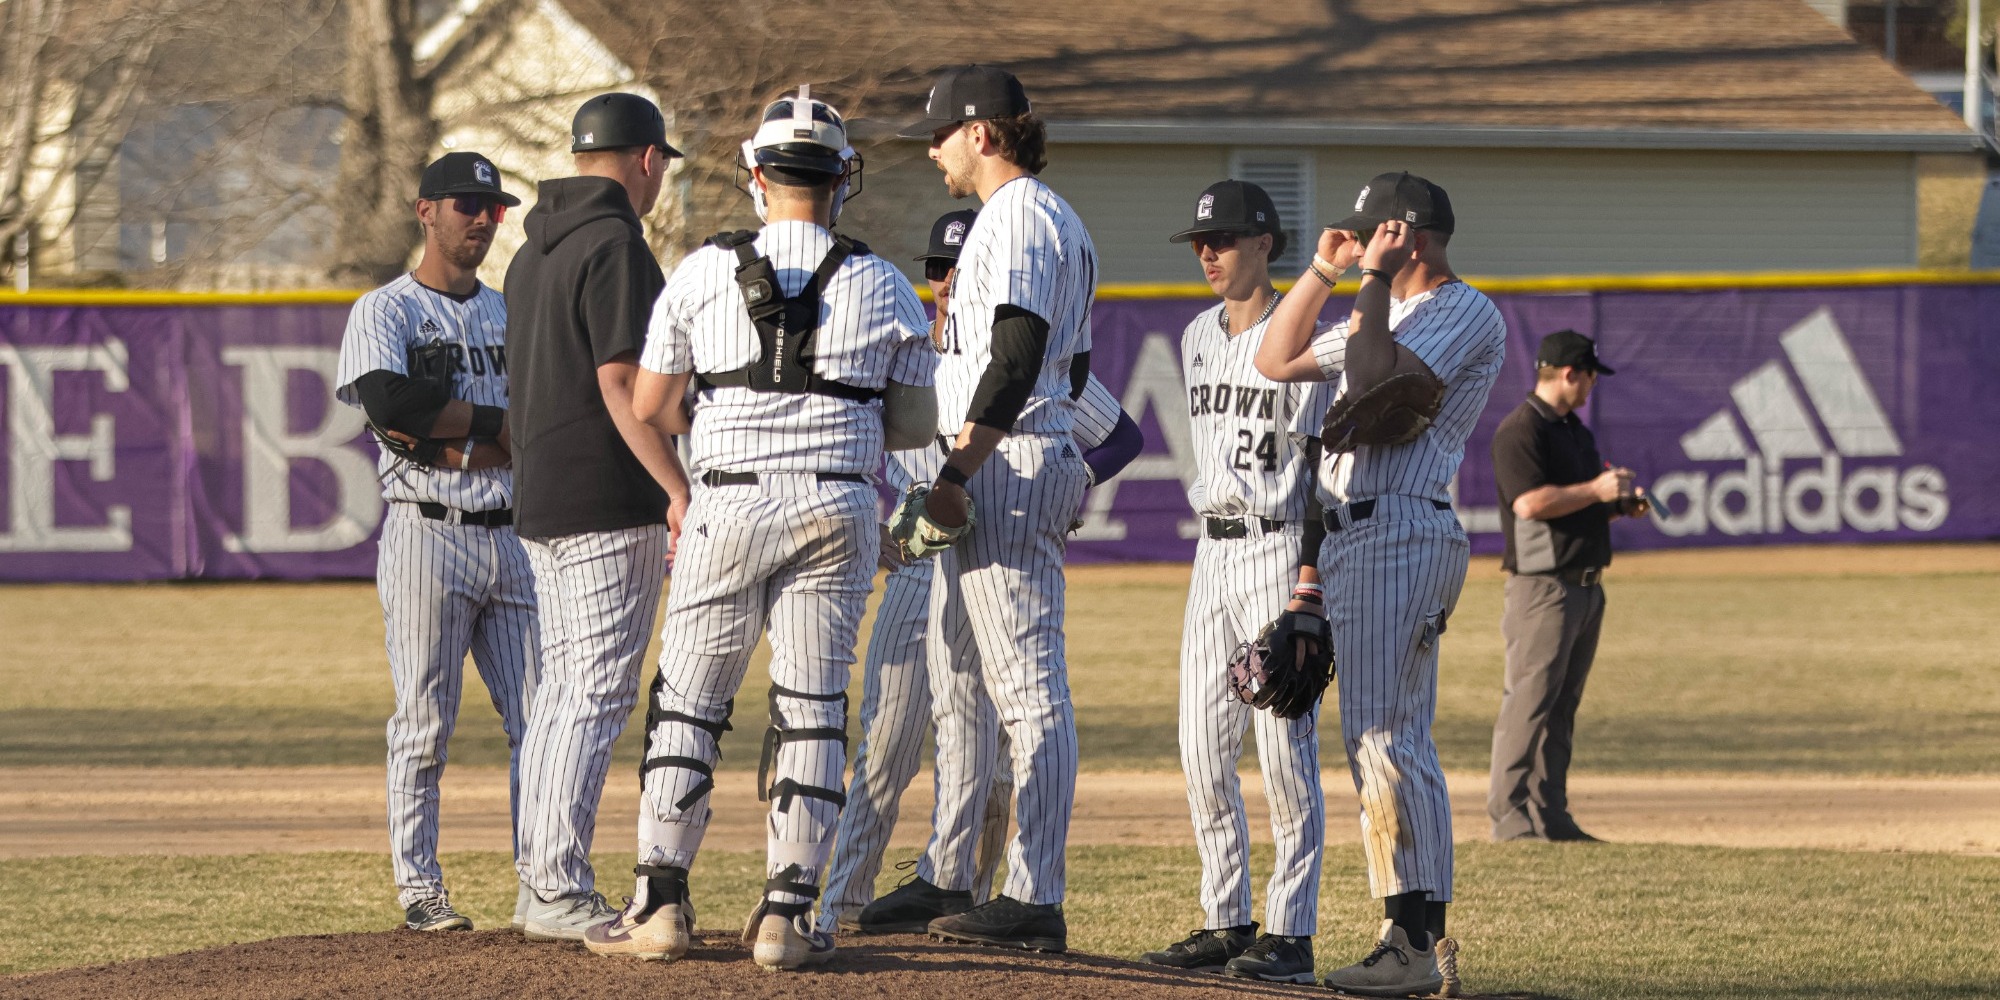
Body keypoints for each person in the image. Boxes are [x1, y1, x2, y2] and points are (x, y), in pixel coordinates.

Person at [581, 87, 939, 972]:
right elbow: (917, 426)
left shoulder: (701, 271)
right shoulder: (884, 281)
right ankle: (785, 917)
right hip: (838, 502)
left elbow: (655, 406)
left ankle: (660, 906)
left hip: (729, 503)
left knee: (689, 706)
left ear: (755, 174)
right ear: (840, 178)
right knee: (814, 708)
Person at [827, 209, 1142, 938]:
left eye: (959, 269)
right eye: (938, 269)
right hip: (916, 566)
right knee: (893, 744)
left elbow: (1122, 434)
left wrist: (1073, 479)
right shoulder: (908, 356)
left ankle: (984, 882)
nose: (945, 282)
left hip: (993, 525)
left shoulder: (1008, 354)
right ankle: (851, 901)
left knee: (1004, 719)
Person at [1254, 171, 1505, 998]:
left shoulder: (1462, 309)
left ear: (1412, 235)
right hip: (1357, 530)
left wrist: (1364, 281)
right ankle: (1410, 938)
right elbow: (1275, 354)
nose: (1359, 242)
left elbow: (1370, 384)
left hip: (1404, 520)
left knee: (1388, 736)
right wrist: (1324, 272)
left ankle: (1412, 939)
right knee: (1381, 735)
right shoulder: (1377, 304)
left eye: (1373, 233)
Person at [870, 64, 1098, 953]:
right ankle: (951, 872)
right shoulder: (1027, 220)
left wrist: (965, 462)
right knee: (958, 682)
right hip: (1001, 456)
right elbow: (1073, 368)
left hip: (1001, 463)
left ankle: (1036, 891)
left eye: (941, 132)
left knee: (1028, 688)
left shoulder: (1025, 215)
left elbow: (1024, 350)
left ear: (985, 133)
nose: (931, 149)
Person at [503, 92, 692, 942]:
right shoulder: (615, 244)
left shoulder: (529, 251)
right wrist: (676, 488)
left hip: (543, 490)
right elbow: (626, 389)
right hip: (606, 496)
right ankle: (553, 886)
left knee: (562, 691)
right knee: (592, 690)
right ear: (647, 159)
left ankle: (541, 876)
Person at [1136, 179, 1330, 984]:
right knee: (1201, 748)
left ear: (1264, 245)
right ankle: (1225, 918)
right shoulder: (1194, 336)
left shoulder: (1314, 335)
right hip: (1209, 552)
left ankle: (1291, 930)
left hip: (1278, 548)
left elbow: (1325, 466)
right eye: (1198, 243)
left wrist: (1310, 587)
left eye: (1220, 240)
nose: (1207, 253)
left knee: (1283, 747)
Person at [333, 151, 530, 934]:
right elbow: (389, 400)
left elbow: (541, 415)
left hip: (515, 538)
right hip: (427, 533)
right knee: (423, 721)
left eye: (493, 207)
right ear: (426, 211)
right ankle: (420, 888)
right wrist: (489, 427)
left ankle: (547, 881)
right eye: (466, 205)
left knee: (544, 722)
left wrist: (457, 432)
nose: (483, 218)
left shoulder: (511, 312)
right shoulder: (385, 310)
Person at [1487, 330, 1646, 844]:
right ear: (1569, 372)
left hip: (1585, 585)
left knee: (1562, 706)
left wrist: (1616, 503)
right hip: (1542, 589)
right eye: (1590, 376)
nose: (1592, 387)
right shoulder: (1521, 430)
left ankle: (1551, 813)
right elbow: (1529, 505)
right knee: (1528, 702)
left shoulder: (1573, 431)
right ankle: (1509, 817)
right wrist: (1595, 489)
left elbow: (1577, 504)